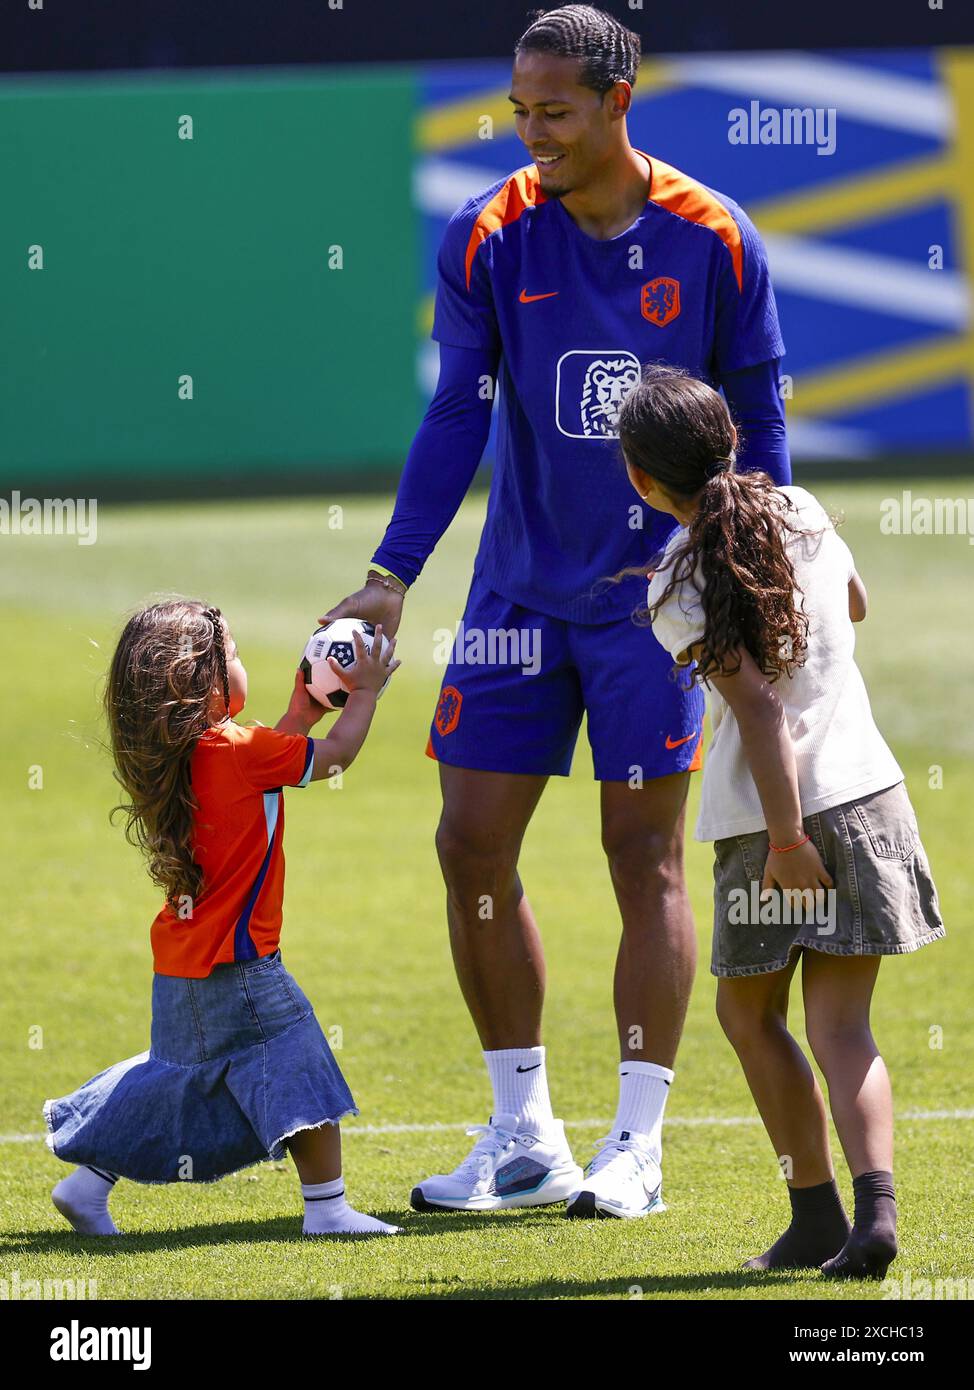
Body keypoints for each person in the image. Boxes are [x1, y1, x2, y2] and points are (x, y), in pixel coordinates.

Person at [324, 4, 789, 1218]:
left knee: (643, 856)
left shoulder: (715, 241)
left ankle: (634, 1143)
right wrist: (391, 571)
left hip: (659, 606)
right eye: (519, 110)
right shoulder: (489, 235)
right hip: (516, 594)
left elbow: (763, 423)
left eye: (555, 112)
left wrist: (750, 570)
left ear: (616, 102)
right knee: (468, 845)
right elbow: (453, 415)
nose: (529, 133)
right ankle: (523, 1132)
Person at [617, 364, 944, 1276]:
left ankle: (813, 1215)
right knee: (845, 1027)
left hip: (774, 827)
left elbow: (757, 711)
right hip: (871, 795)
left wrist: (791, 843)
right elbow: (857, 606)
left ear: (643, 480)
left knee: (748, 1012)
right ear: (730, 439)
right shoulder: (800, 510)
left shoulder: (673, 584)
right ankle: (874, 1217)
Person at [44, 599, 402, 1239]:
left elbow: (268, 760)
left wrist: (303, 708)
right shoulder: (240, 750)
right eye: (231, 657)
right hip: (241, 965)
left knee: (173, 1079)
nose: (241, 666)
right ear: (202, 683)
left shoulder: (178, 757)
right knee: (301, 1059)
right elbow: (334, 756)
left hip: (182, 962)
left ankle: (88, 1180)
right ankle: (327, 1209)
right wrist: (367, 692)